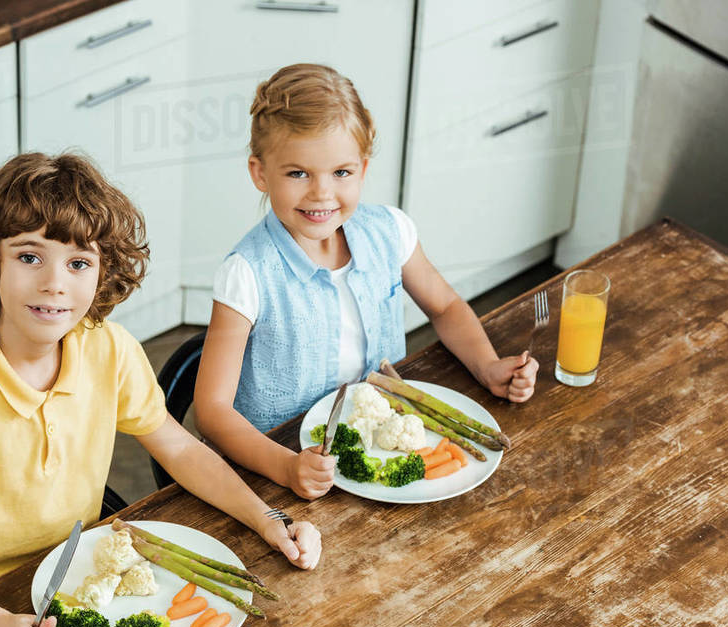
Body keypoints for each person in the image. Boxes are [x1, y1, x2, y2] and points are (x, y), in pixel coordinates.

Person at [0, 152, 321, 627]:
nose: (54, 283)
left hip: (63, 575)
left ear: (102, 271)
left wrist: (268, 519)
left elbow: (179, 448)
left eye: (78, 263)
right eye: (29, 257)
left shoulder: (107, 348)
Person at [194, 64, 539, 501]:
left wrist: (487, 366)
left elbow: (445, 307)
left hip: (377, 450)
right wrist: (285, 467)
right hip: (276, 469)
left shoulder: (389, 232)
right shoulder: (248, 273)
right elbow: (212, 411)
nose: (322, 193)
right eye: (298, 173)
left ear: (362, 168)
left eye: (341, 172)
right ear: (260, 173)